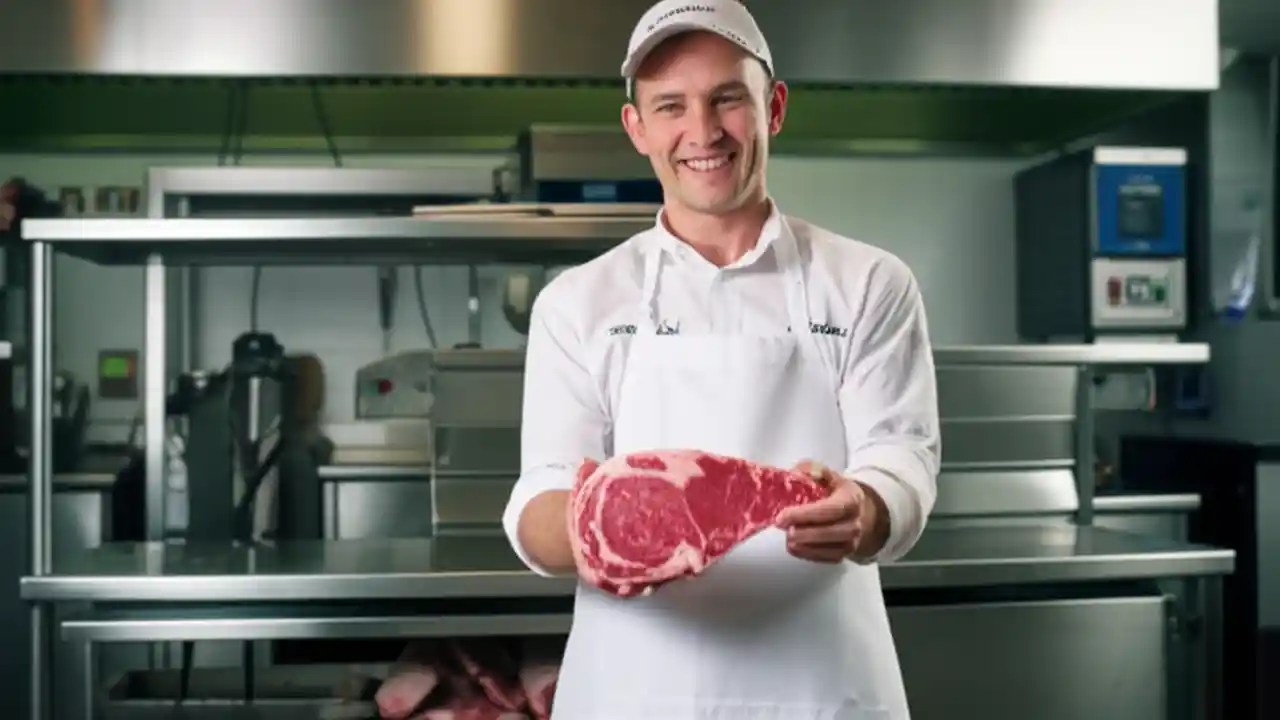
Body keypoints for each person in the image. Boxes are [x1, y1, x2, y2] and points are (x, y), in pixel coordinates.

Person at [501, 1, 940, 717]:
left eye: (726, 98)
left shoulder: (867, 282)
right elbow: (540, 495)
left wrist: (865, 507)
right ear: (636, 128)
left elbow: (903, 459)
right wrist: (598, 529)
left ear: (774, 108)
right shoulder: (578, 303)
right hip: (635, 692)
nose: (701, 132)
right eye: (670, 105)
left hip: (820, 689)